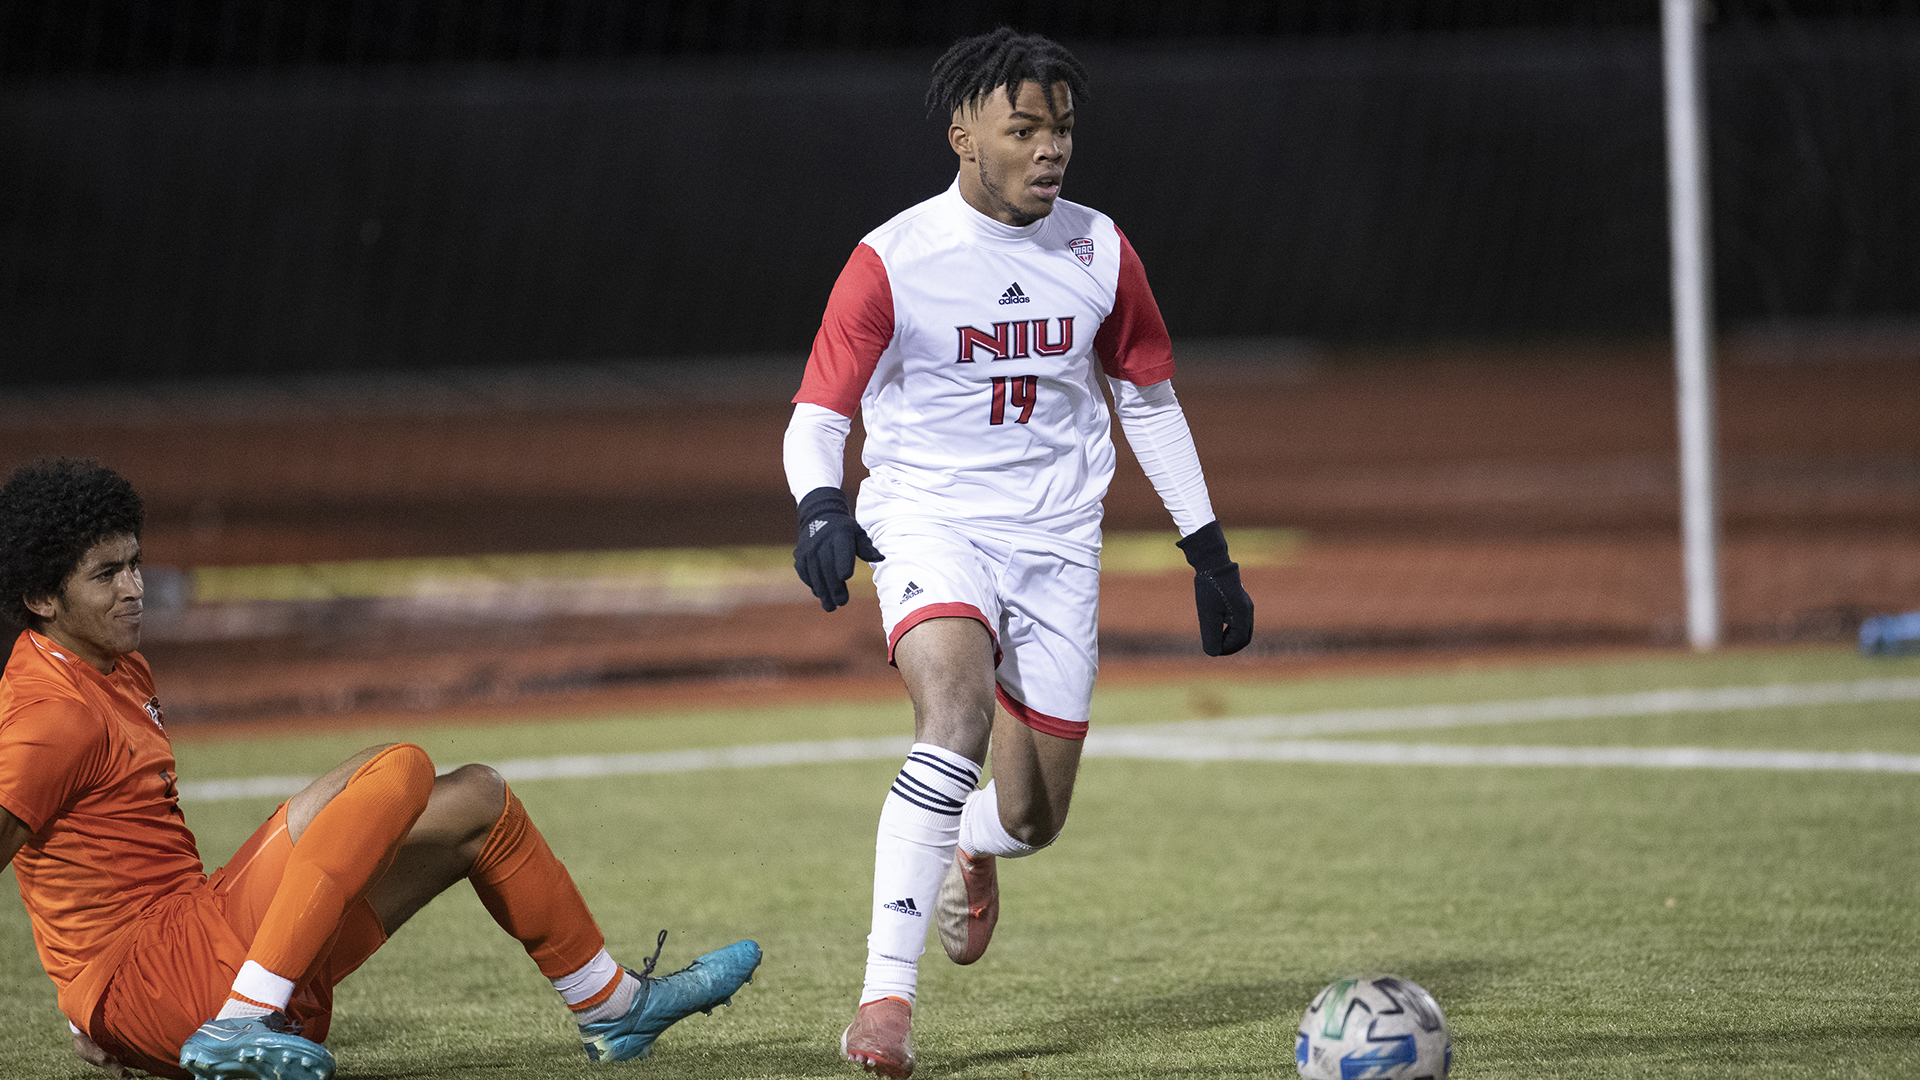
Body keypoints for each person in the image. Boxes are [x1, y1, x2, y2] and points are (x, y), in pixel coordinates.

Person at [783, 28, 1255, 1078]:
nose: (1053, 151)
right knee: (952, 713)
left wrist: (1207, 552)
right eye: (1026, 129)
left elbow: (1149, 399)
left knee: (1036, 818)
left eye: (1064, 130)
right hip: (928, 524)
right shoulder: (892, 260)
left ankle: (977, 847)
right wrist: (821, 507)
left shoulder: (1100, 249)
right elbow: (818, 415)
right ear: (964, 137)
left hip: (1057, 547)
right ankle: (884, 1003)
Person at [0, 459, 761, 1080]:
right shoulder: (50, 713)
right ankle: (243, 1022)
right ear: (41, 596)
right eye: (105, 575)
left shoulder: (111, 664)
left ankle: (611, 1004)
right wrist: (95, 1006)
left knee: (476, 801)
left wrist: (90, 1008)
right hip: (173, 983)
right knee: (398, 768)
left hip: (188, 960)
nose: (133, 589)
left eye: (135, 564)